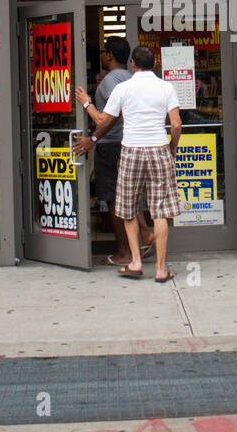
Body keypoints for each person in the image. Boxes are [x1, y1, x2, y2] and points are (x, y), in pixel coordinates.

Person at [72, 45, 181, 283]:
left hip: (131, 150)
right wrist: (172, 147)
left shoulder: (123, 88)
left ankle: (135, 261)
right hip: (158, 149)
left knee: (128, 208)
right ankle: (161, 270)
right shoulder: (166, 87)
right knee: (160, 212)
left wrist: (87, 102)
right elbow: (175, 124)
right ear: (154, 64)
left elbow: (102, 120)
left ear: (133, 64)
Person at [73, 36, 153, 267]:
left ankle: (124, 252)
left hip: (110, 146)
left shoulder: (109, 81)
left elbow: (109, 118)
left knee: (113, 199)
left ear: (109, 55)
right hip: (126, 143)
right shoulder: (129, 77)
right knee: (125, 195)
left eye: (102, 52)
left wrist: (92, 132)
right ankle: (144, 235)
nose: (101, 56)